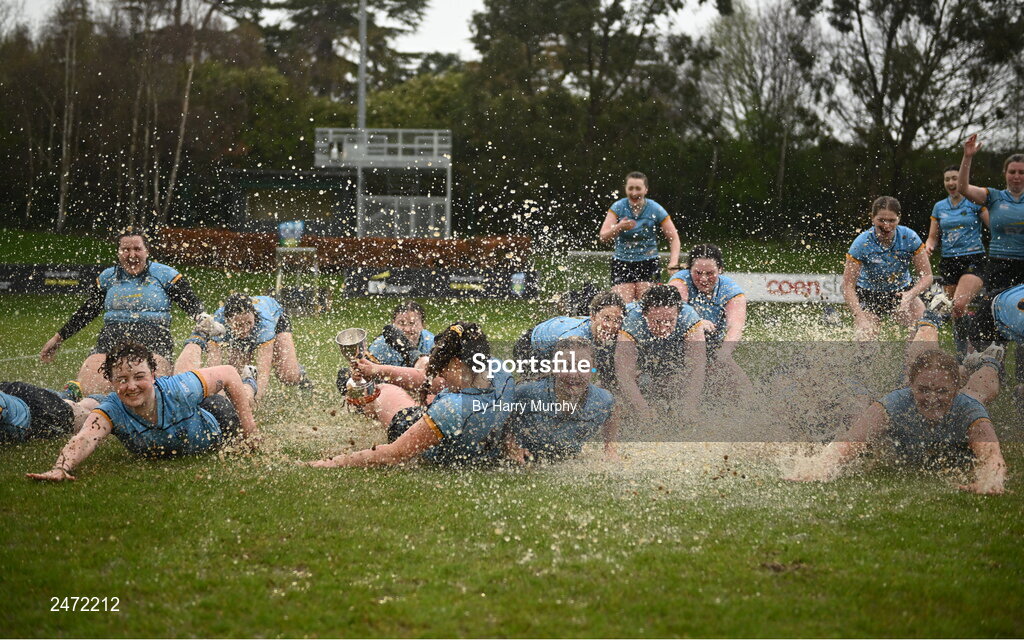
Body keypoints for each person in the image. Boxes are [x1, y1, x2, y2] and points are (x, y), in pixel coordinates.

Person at [26, 341, 260, 481]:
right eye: (122, 380)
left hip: (217, 418)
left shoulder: (178, 389)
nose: (132, 386)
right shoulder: (111, 411)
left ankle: (250, 382)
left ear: (153, 376)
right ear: (112, 382)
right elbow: (85, 438)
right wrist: (60, 468)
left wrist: (249, 431)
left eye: (139, 377)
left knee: (238, 399)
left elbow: (228, 372)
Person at [785, 348, 1006, 495]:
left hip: (971, 398)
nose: (931, 399)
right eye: (923, 390)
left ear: (955, 389)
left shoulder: (967, 407)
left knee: (979, 393)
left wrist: (991, 480)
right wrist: (820, 467)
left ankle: (990, 360)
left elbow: (991, 455)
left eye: (942, 391)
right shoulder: (895, 402)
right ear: (911, 386)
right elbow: (853, 440)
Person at [307, 322, 516, 468]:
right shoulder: (500, 372)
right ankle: (392, 363)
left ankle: (357, 386)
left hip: (412, 425)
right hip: (452, 431)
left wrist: (330, 463)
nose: (441, 372)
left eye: (444, 367)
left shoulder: (451, 409)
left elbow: (392, 455)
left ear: (456, 363)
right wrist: (511, 443)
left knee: (386, 392)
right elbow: (432, 379)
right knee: (426, 375)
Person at [38, 229, 214, 397]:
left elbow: (191, 304)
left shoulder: (165, 274)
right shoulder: (108, 277)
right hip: (113, 336)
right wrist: (58, 338)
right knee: (91, 385)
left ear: (147, 251)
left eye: (137, 249)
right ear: (118, 252)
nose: (132, 255)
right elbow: (87, 312)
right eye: (125, 249)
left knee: (153, 389)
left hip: (154, 336)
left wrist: (203, 320)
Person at [503, 337, 619, 462]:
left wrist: (610, 448)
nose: (573, 374)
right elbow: (500, 409)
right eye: (566, 366)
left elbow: (612, 411)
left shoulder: (602, 400)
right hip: (527, 457)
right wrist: (510, 442)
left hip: (565, 458)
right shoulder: (529, 393)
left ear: (593, 368)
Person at [186, 293, 311, 400]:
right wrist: (220, 398)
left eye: (248, 323)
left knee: (287, 375)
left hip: (278, 321)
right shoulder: (218, 321)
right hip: (239, 330)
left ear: (253, 315)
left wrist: (257, 399)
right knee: (235, 373)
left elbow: (263, 370)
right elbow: (213, 366)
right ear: (228, 321)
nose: (245, 329)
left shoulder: (264, 323)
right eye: (239, 325)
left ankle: (303, 378)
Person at [669, 243, 753, 399]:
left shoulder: (732, 291)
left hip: (713, 343)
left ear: (720, 270)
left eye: (710, 273)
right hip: (678, 341)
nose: (704, 279)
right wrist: (697, 322)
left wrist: (725, 353)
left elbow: (735, 327)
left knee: (737, 381)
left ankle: (751, 405)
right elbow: (675, 313)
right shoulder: (679, 281)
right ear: (689, 270)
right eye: (698, 273)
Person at [842, 196, 933, 341]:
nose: (887, 226)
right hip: (869, 294)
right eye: (881, 220)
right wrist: (859, 316)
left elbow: (927, 276)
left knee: (923, 331)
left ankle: (910, 362)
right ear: (872, 218)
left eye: (892, 220)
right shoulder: (861, 243)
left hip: (901, 292)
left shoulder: (909, 238)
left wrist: (910, 295)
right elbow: (847, 286)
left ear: (899, 218)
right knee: (865, 339)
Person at [614, 284, 707, 421]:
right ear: (645, 314)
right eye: (657, 322)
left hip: (673, 355)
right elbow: (624, 373)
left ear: (678, 314)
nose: (663, 328)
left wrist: (689, 406)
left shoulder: (689, 317)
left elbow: (697, 368)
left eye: (670, 321)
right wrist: (642, 409)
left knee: (678, 384)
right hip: (641, 358)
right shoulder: (632, 319)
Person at [923, 164, 989, 357]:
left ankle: (972, 346)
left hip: (973, 258)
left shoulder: (974, 202)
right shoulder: (939, 206)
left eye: (955, 178)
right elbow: (933, 236)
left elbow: (995, 225)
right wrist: (928, 246)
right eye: (947, 179)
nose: (951, 183)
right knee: (957, 311)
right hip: (949, 262)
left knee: (959, 305)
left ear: (963, 181)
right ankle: (964, 354)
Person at [599, 171, 681, 303]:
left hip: (648, 261)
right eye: (630, 188)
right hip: (622, 262)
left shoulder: (655, 209)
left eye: (638, 188)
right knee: (624, 305)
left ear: (646, 190)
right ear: (625, 189)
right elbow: (603, 237)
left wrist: (673, 262)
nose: (634, 193)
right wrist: (619, 227)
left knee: (646, 304)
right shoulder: (618, 207)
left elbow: (674, 238)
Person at [512, 290, 626, 384]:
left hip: (555, 331)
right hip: (529, 348)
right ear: (592, 316)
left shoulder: (608, 332)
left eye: (617, 320)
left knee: (609, 375)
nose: (611, 326)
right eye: (606, 319)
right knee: (551, 386)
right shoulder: (575, 338)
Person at [957, 135, 1024, 294]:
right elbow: (963, 188)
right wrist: (967, 157)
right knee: (996, 313)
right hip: (999, 265)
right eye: (1012, 171)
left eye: (1022, 172)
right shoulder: (994, 196)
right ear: (1005, 173)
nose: (1016, 176)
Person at [1, 382, 98, 443]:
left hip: (34, 411)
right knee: (52, 396)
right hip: (11, 392)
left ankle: (105, 399)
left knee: (83, 416)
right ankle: (69, 393)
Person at [366, 300, 435, 368]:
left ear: (423, 325)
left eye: (412, 323)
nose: (407, 329)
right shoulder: (379, 346)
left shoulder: (432, 344)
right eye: (401, 323)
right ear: (393, 323)